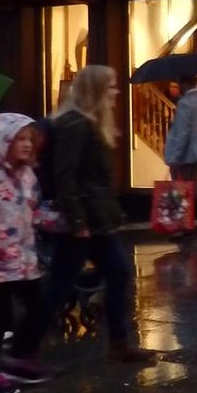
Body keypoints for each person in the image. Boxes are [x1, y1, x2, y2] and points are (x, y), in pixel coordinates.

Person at [45, 64, 157, 365]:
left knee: (116, 273)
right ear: (95, 91)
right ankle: (25, 347)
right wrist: (78, 220)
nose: (116, 93)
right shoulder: (76, 124)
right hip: (84, 222)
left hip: (97, 220)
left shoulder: (91, 123)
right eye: (110, 87)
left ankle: (119, 343)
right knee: (59, 284)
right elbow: (65, 176)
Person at [0, 114, 54, 393]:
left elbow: (33, 211)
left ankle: (19, 358)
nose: (27, 145)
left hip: (24, 259)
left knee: (40, 307)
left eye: (30, 139)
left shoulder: (28, 174)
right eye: (20, 139)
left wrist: (59, 220)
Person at [163, 75, 197, 217]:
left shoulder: (185, 103)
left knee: (181, 188)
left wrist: (174, 156)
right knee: (193, 185)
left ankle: (183, 221)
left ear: (184, 84)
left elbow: (183, 132)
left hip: (185, 155)